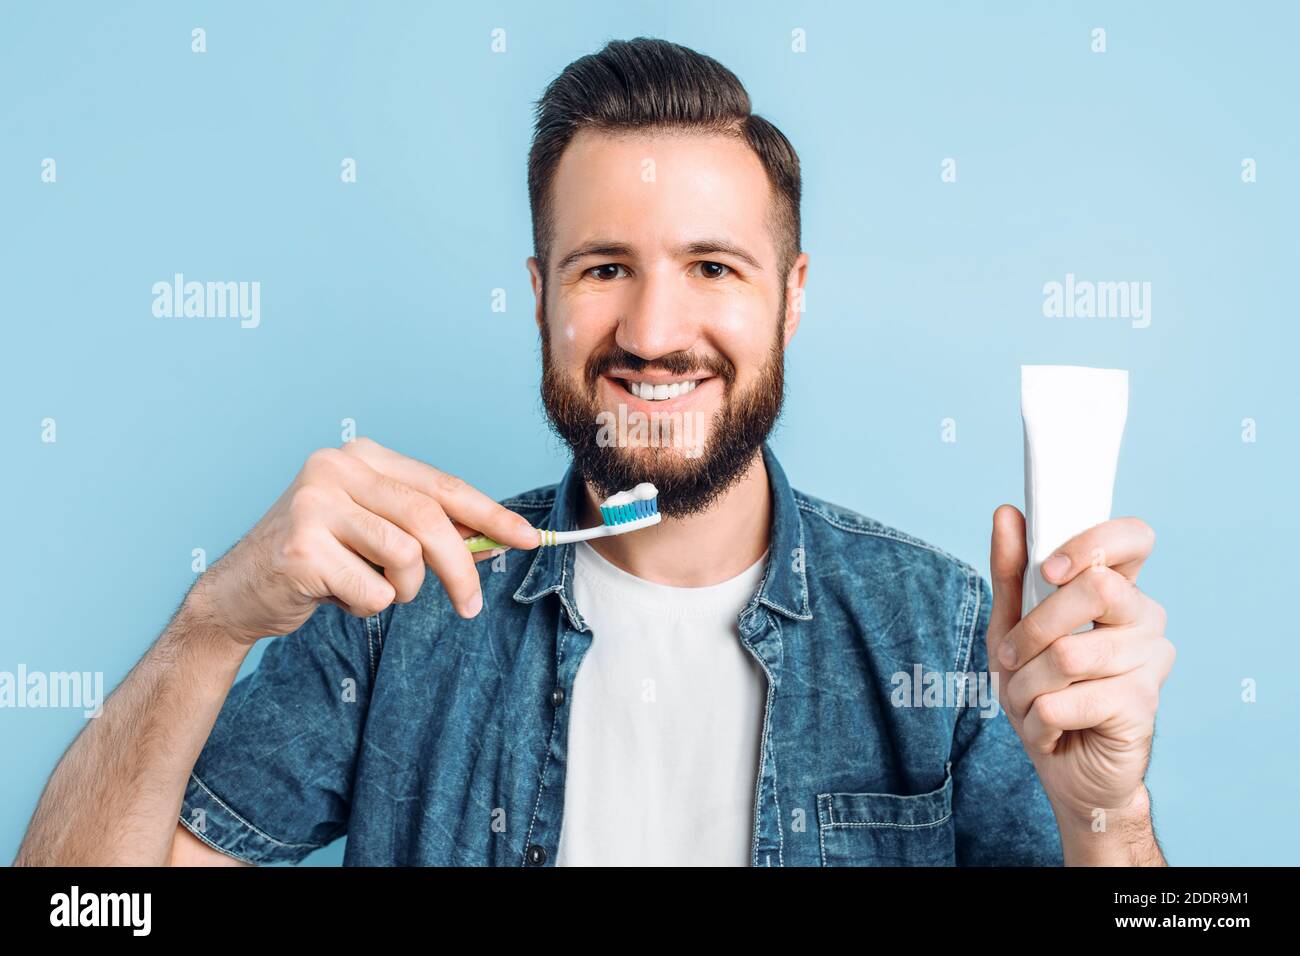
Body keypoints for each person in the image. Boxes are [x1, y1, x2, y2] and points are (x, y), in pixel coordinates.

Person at [15, 37, 1173, 867]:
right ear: (539, 297)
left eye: (713, 267)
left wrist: (1107, 818)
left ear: (793, 297)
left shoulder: (944, 635)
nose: (654, 332)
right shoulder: (395, 615)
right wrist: (210, 623)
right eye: (603, 267)